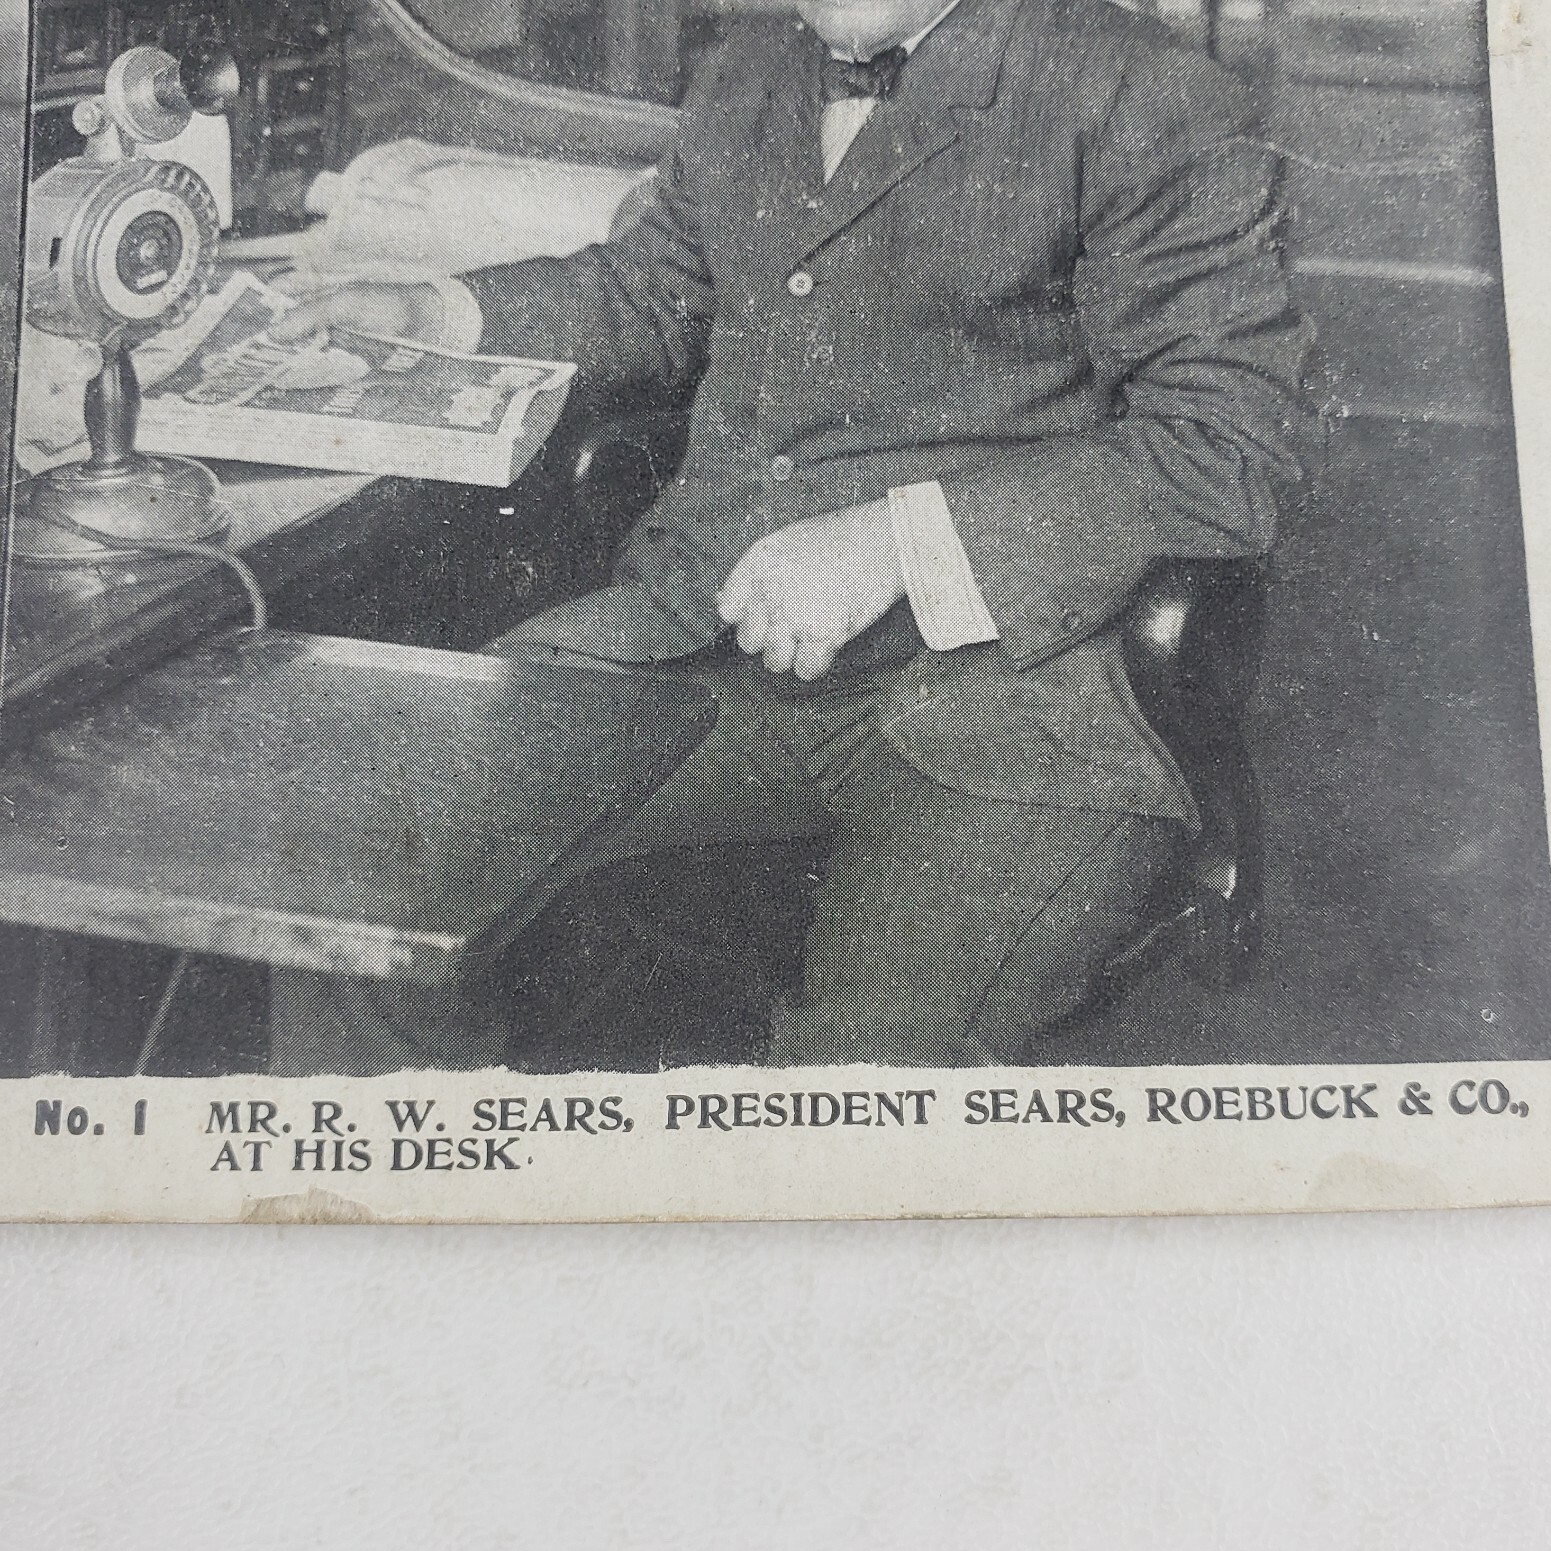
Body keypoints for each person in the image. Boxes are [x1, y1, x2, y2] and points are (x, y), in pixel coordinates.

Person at [270, 0, 1319, 1070]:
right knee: (363, 858)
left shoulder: (1142, 91)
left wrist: (890, 547)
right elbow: (653, 289)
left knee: (858, 1091)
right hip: (699, 643)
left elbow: (1226, 445)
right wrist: (435, 312)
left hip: (1017, 702)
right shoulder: (750, 70)